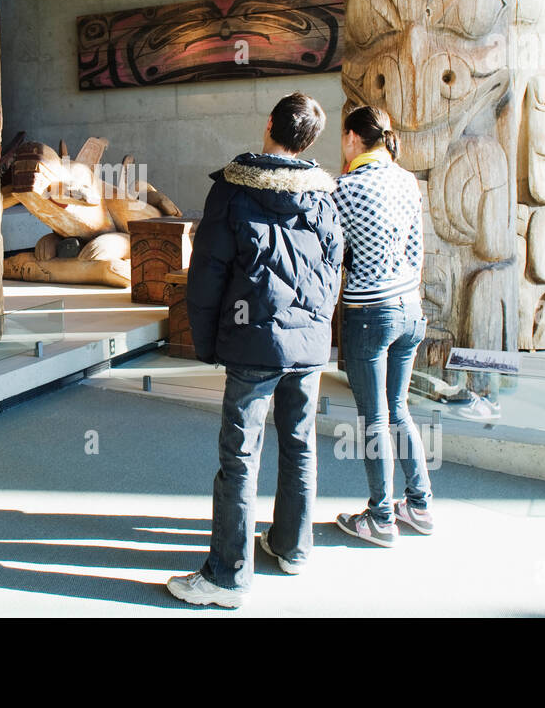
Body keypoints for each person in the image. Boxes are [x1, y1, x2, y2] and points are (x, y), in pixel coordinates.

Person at [167, 93, 343, 608]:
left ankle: (227, 577)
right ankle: (291, 546)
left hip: (254, 342)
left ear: (269, 124)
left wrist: (206, 342)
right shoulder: (324, 196)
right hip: (308, 344)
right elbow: (333, 269)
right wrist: (318, 328)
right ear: (309, 140)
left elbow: (207, 272)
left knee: (240, 457)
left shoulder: (232, 188)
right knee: (300, 443)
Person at [330, 105, 433, 547]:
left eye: (343, 137)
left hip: (370, 313)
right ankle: (420, 505)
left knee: (374, 419)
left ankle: (380, 517)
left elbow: (333, 252)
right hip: (410, 308)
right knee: (398, 409)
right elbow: (416, 250)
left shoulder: (345, 188)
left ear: (353, 138)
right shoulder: (407, 181)